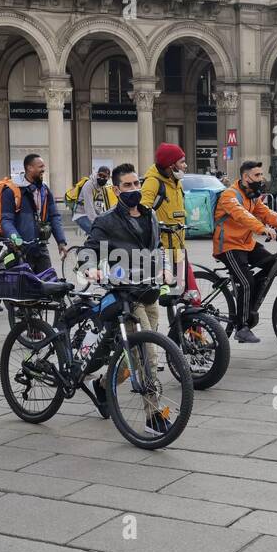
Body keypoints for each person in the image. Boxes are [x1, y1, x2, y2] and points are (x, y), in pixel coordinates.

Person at [83, 163, 171, 432]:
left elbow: (157, 247)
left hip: (150, 292)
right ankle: (153, 418)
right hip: (126, 295)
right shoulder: (107, 221)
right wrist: (91, 268)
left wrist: (165, 267)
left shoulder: (150, 215)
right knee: (148, 356)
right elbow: (88, 251)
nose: (134, 190)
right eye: (128, 186)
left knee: (133, 356)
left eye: (137, 184)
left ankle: (101, 385)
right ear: (116, 189)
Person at [213, 160, 277, 344]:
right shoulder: (230, 196)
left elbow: (268, 214)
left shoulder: (252, 196)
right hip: (228, 245)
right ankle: (241, 327)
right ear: (245, 176)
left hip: (246, 243)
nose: (261, 178)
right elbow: (243, 215)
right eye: (257, 175)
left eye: (261, 174)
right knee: (246, 280)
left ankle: (246, 302)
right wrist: (262, 229)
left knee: (273, 264)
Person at [139, 144, 195, 290]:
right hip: (163, 249)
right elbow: (142, 211)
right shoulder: (153, 182)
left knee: (184, 289)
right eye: (182, 162)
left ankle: (183, 309)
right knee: (168, 293)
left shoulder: (177, 182)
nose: (185, 165)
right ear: (171, 166)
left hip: (179, 245)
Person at [1, 153, 69, 272]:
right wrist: (15, 238)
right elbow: (6, 220)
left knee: (48, 283)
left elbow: (54, 217)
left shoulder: (45, 190)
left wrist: (61, 241)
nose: (43, 169)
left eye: (43, 166)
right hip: (20, 249)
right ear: (29, 168)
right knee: (24, 286)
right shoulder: (12, 191)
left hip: (40, 247)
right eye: (40, 166)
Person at [72, 165, 112, 236]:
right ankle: (96, 245)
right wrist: (97, 223)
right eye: (100, 175)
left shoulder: (103, 188)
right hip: (81, 215)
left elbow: (101, 207)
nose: (102, 178)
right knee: (99, 234)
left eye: (104, 176)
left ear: (108, 178)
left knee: (105, 232)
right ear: (97, 174)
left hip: (93, 215)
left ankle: (92, 246)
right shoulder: (89, 185)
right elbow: (89, 207)